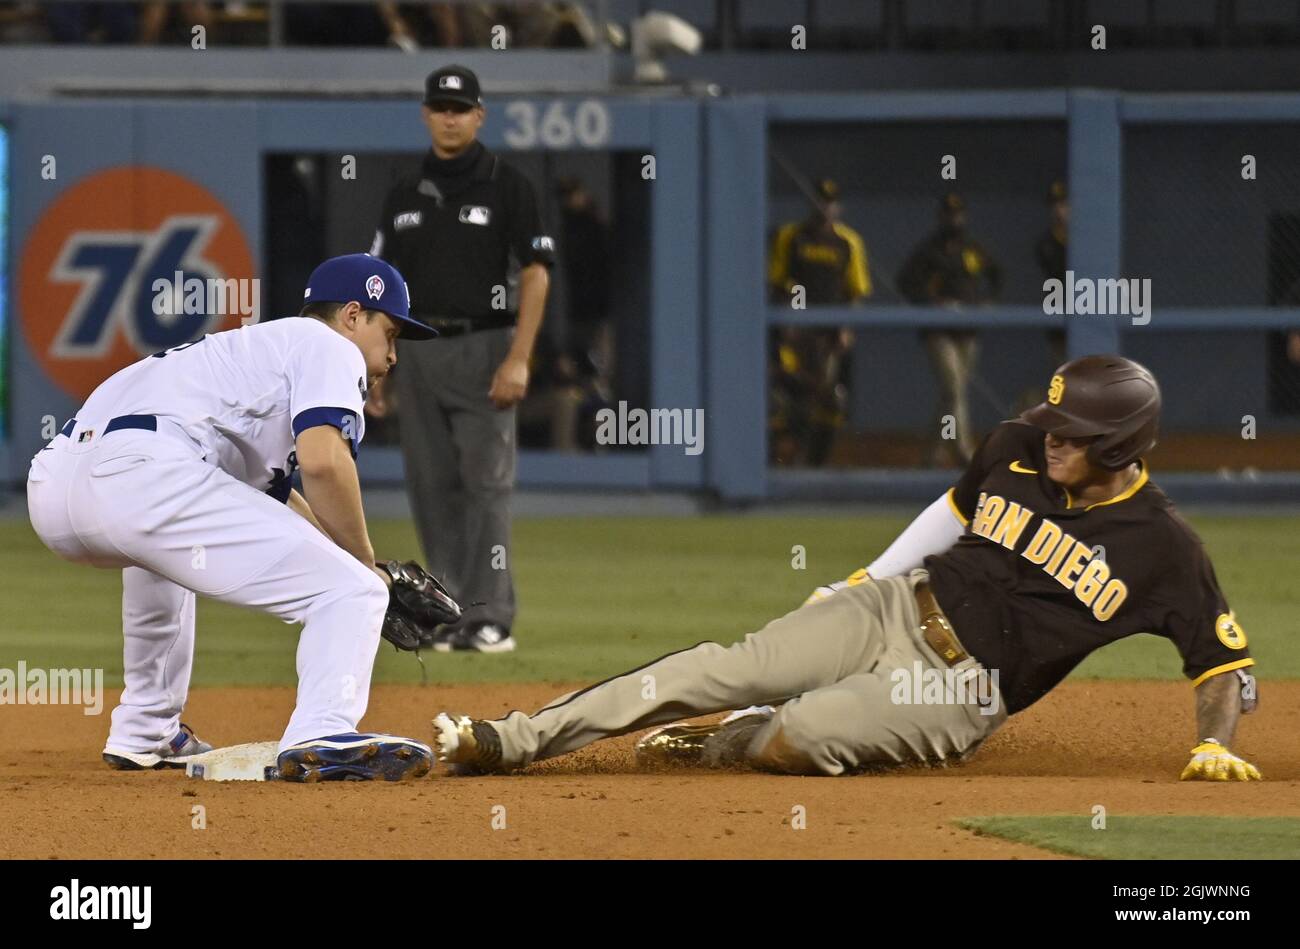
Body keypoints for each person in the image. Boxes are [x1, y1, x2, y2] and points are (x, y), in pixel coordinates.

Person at [433, 355, 1261, 783]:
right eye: (1051, 423)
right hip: (895, 604)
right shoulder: (1016, 445)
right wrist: (866, 578)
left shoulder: (1164, 546)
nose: (1051, 438)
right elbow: (953, 513)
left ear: (1118, 446)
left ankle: (732, 742)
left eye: (1071, 434)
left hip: (961, 690)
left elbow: (1221, 660)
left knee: (804, 736)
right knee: (714, 667)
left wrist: (1216, 743)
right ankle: (512, 739)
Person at [26, 254, 442, 783]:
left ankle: (146, 729)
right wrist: (366, 571)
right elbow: (323, 461)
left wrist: (356, 562)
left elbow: (276, 501)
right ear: (353, 316)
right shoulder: (328, 345)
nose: (393, 355)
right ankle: (323, 728)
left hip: (57, 487)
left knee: (160, 557)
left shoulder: (245, 356)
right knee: (351, 592)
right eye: (391, 333)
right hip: (144, 475)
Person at [370, 64, 554, 653]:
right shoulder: (404, 190)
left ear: (479, 115)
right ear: (426, 113)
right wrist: (377, 364)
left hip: (486, 346)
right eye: (440, 107)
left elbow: (536, 272)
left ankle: (491, 615)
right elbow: (381, 280)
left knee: (487, 485)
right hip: (418, 349)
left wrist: (519, 358)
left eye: (461, 108)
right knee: (430, 484)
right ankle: (449, 612)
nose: (450, 118)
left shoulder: (508, 185)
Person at [767, 178, 871, 466]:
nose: (824, 208)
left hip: (830, 335)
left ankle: (815, 465)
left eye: (830, 203)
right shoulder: (792, 236)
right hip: (795, 333)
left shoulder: (848, 241)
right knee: (788, 398)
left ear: (838, 207)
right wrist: (786, 321)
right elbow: (777, 283)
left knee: (831, 398)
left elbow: (855, 291)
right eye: (819, 201)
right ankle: (778, 461)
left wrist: (846, 328)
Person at [897, 193, 1002, 467]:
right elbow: (905, 282)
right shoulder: (929, 250)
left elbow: (997, 274)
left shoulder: (972, 248)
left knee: (951, 394)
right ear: (940, 217)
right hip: (938, 331)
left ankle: (930, 455)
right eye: (948, 214)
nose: (953, 219)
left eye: (958, 214)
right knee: (953, 389)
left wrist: (987, 302)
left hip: (968, 330)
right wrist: (933, 302)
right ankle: (964, 450)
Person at [1035, 179, 1069, 369]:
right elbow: (1057, 270)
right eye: (1054, 205)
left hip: (1088, 307)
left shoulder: (1085, 237)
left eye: (1063, 204)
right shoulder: (1046, 243)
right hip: (1058, 311)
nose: (1058, 210)